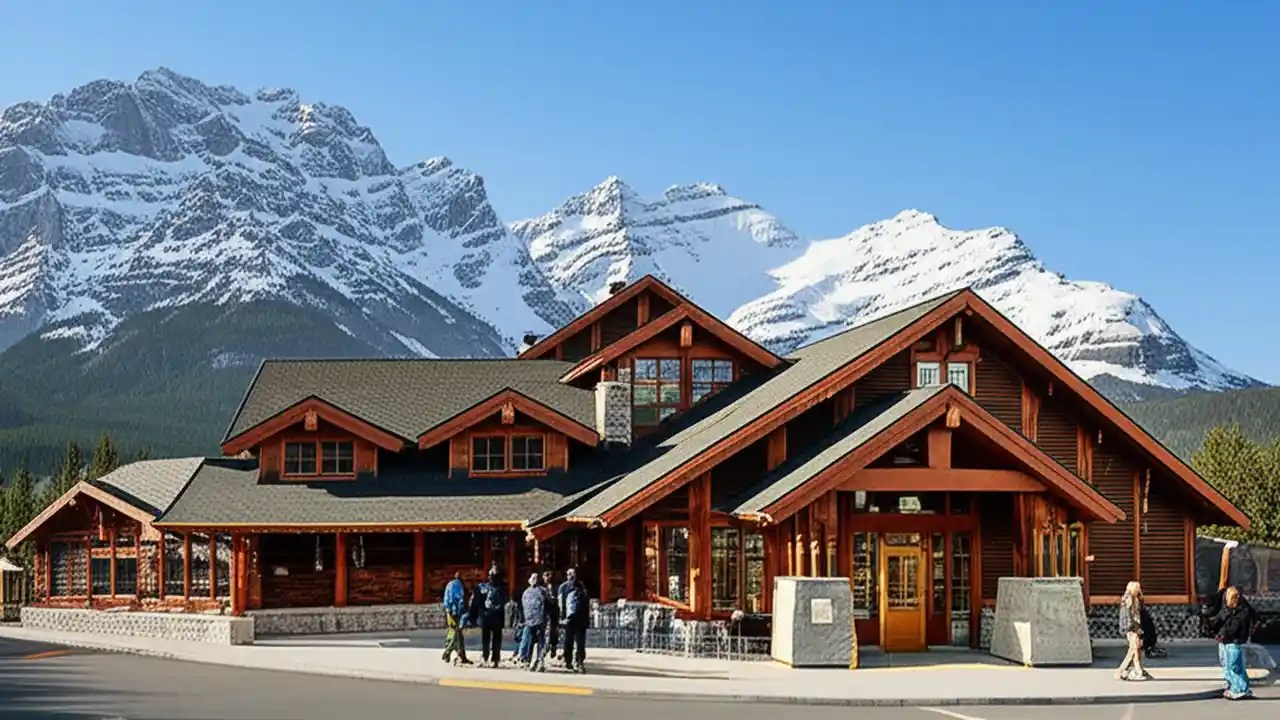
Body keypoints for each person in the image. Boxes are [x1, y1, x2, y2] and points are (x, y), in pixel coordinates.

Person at [1206, 586, 1256, 700]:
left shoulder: (1241, 611)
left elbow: (1234, 627)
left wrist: (1222, 632)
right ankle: (1234, 685)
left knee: (1233, 666)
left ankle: (1238, 689)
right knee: (1229, 665)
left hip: (1233, 640)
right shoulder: (1227, 609)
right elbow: (1219, 619)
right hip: (1226, 640)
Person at [470, 567, 507, 668]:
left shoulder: (481, 588)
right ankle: (494, 659)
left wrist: (473, 616)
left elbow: (475, 603)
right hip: (495, 617)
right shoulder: (501, 589)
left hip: (486, 617)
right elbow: (503, 603)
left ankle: (487, 657)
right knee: (495, 639)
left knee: (486, 639)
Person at [1115, 581, 1151, 681]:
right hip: (1132, 629)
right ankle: (1125, 670)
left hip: (1135, 628)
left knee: (1135, 650)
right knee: (1133, 650)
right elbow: (1128, 617)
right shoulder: (1128, 600)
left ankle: (1137, 669)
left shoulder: (1136, 599)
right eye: (1138, 588)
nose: (1139, 590)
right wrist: (1133, 628)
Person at [558, 567, 589, 673]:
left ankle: (579, 661)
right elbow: (560, 604)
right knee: (568, 642)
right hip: (569, 619)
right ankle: (568, 661)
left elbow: (585, 602)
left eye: (573, 574)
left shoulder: (582, 587)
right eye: (569, 574)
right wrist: (562, 617)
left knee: (580, 643)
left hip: (581, 619)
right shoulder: (563, 587)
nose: (571, 576)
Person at [519, 573, 550, 672]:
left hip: (533, 620)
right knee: (537, 641)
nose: (533, 580)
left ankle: (531, 661)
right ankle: (536, 661)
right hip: (537, 620)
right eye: (533, 578)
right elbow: (549, 603)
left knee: (532, 641)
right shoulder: (541, 591)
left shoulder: (527, 592)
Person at [442, 571, 472, 666]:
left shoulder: (449, 584)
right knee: (457, 634)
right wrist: (460, 613)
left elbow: (446, 599)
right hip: (455, 613)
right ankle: (448, 652)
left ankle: (462, 656)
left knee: (456, 634)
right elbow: (459, 600)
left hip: (449, 612)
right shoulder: (459, 586)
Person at [542, 569, 560, 660]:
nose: (546, 578)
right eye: (545, 576)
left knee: (553, 630)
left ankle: (553, 646)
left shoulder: (557, 587)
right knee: (545, 630)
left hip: (554, 611)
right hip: (545, 611)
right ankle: (545, 647)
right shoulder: (542, 587)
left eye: (548, 576)